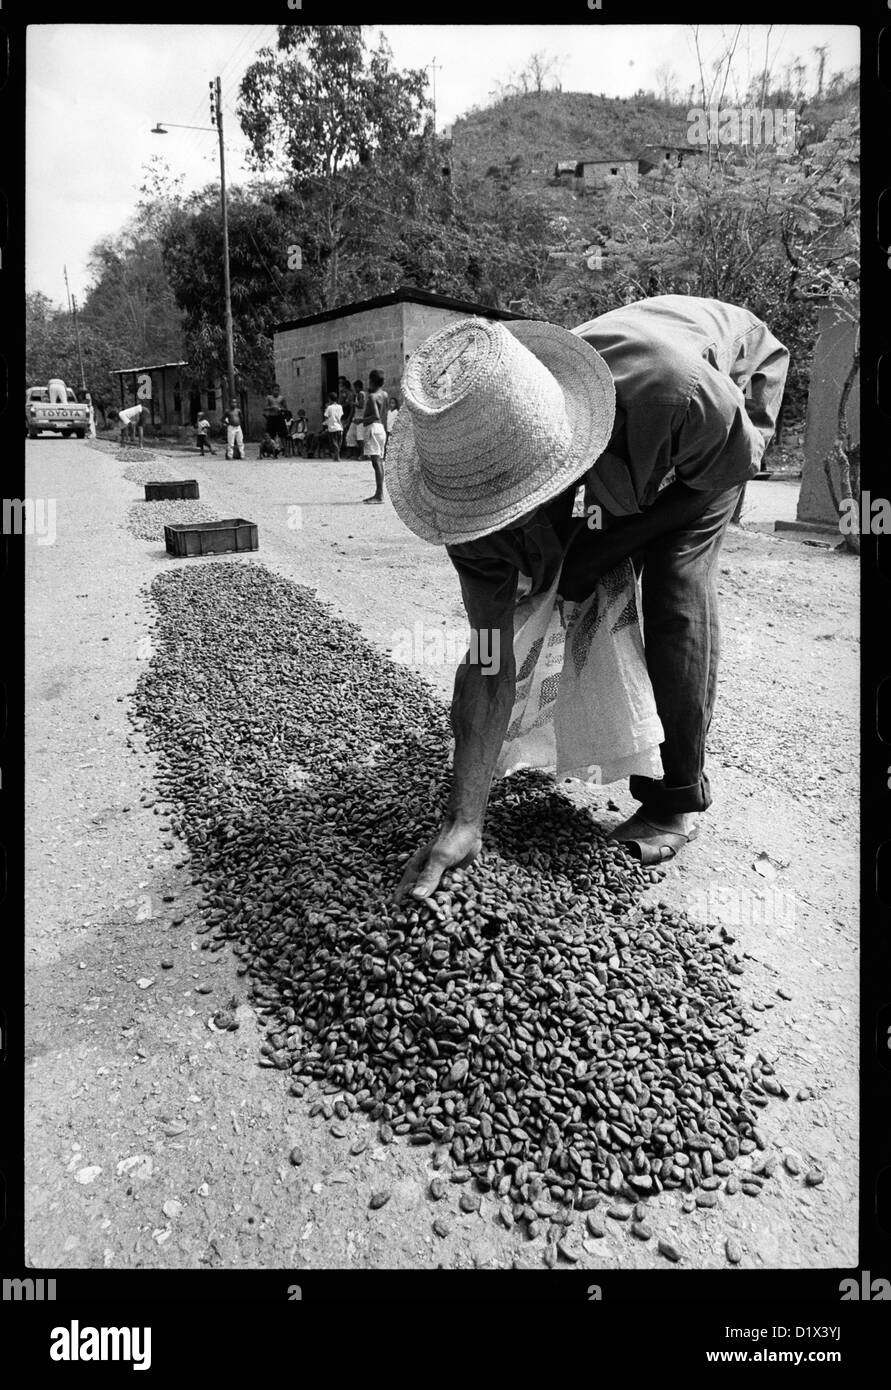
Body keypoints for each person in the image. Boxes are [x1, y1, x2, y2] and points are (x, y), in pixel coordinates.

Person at [387, 297, 789, 900]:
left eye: (520, 504)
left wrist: (604, 549)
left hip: (721, 405)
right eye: (492, 514)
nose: (507, 533)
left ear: (560, 456)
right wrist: (464, 819)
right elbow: (490, 654)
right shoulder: (466, 515)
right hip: (625, 447)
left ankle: (674, 800)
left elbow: (731, 466)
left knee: (675, 587)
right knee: (574, 567)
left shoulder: (669, 394)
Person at [361, 369, 389, 504]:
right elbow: (384, 414)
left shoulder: (372, 397)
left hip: (373, 428)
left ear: (371, 381)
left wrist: (361, 421)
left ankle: (379, 495)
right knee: (379, 461)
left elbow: (376, 416)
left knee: (376, 461)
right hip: (381, 429)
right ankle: (379, 493)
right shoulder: (384, 394)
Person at [345, 378, 366, 458]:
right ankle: (353, 453)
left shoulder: (361, 394)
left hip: (360, 419)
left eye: (355, 388)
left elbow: (361, 405)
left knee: (360, 437)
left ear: (358, 387)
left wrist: (352, 403)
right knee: (350, 435)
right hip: (356, 418)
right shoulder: (357, 395)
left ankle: (363, 454)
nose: (354, 389)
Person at [264, 382, 288, 447]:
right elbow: (265, 408)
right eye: (275, 390)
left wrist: (281, 409)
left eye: (278, 390)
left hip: (279, 417)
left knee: (282, 435)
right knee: (270, 434)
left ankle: (286, 451)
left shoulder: (282, 398)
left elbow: (286, 408)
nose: (276, 392)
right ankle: (271, 450)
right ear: (272, 390)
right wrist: (272, 408)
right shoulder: (269, 397)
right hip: (271, 417)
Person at [322, 393, 344, 461]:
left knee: (334, 443)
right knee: (338, 443)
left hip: (332, 428)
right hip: (339, 427)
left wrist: (325, 424)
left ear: (329, 399)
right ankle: (336, 456)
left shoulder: (329, 407)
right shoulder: (340, 407)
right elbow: (340, 416)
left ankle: (337, 457)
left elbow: (326, 417)